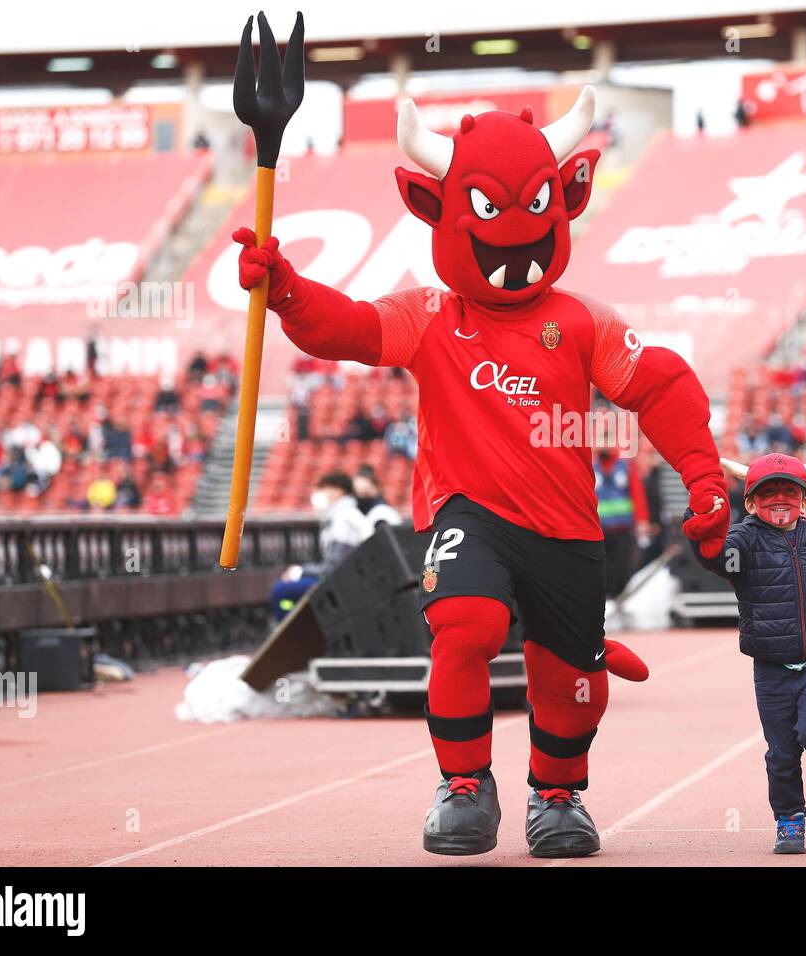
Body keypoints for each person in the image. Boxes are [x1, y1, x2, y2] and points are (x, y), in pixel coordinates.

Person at [233, 87, 728, 858]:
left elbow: (658, 386)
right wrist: (287, 289)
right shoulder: (429, 315)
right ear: (435, 209)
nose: (513, 239)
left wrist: (703, 477)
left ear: (567, 199)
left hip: (566, 528)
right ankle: (463, 784)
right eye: (489, 215)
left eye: (535, 209)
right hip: (466, 514)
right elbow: (351, 329)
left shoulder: (583, 320)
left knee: (573, 683)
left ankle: (557, 798)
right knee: (466, 626)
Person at [689, 453, 806, 855]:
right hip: (771, 667)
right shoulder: (744, 541)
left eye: (789, 491)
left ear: (805, 501)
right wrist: (700, 517)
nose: (779, 499)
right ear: (751, 503)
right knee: (782, 753)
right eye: (767, 492)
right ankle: (790, 820)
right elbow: (716, 559)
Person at [270, 472, 375, 620]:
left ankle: (292, 632)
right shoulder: (338, 517)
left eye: (323, 488)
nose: (319, 494)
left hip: (347, 583)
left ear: (339, 491)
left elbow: (335, 567)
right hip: (343, 580)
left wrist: (300, 572)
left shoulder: (345, 519)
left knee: (281, 591)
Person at [593, 445, 649, 598]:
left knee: (622, 565)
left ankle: (617, 597)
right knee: (601, 567)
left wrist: (641, 521)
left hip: (623, 528)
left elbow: (637, 494)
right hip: (599, 529)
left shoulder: (625, 467)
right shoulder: (592, 467)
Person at [353, 464, 403, 528]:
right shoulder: (355, 510)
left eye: (366, 491)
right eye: (358, 492)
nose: (361, 496)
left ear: (377, 487)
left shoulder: (382, 511)